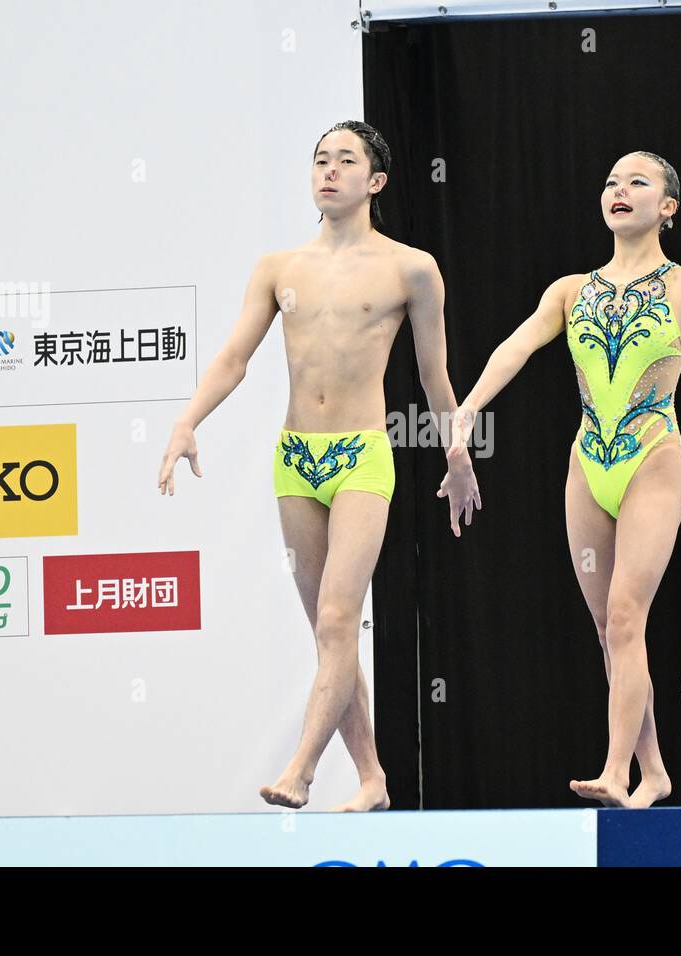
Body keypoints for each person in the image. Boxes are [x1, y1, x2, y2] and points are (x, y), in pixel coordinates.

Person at [158, 120, 481, 811]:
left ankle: (300, 769)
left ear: (376, 181)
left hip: (362, 456)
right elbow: (234, 358)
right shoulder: (280, 268)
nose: (328, 172)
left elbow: (434, 377)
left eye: (345, 161)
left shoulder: (411, 268)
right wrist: (187, 421)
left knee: (339, 618)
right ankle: (373, 779)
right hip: (296, 459)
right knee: (328, 633)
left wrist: (457, 452)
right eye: (319, 161)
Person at [447, 151, 681, 807]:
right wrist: (466, 410)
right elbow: (516, 347)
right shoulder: (568, 291)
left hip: (654, 456)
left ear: (668, 206)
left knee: (624, 613)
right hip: (589, 464)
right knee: (610, 631)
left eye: (639, 182)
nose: (620, 190)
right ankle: (656, 771)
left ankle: (617, 772)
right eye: (611, 181)